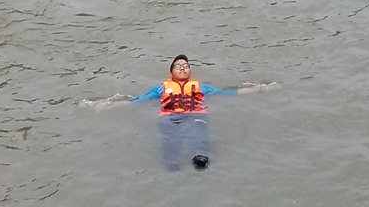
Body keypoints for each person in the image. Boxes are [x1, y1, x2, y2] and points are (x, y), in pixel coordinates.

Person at [107, 54, 263, 171]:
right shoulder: (161, 88)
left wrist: (260, 89)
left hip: (196, 116)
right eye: (178, 66)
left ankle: (199, 157)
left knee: (199, 136)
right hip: (170, 117)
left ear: (190, 71)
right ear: (171, 73)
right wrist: (109, 106)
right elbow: (138, 100)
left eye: (186, 66)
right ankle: (172, 164)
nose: (182, 68)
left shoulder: (201, 87)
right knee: (170, 141)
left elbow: (227, 92)